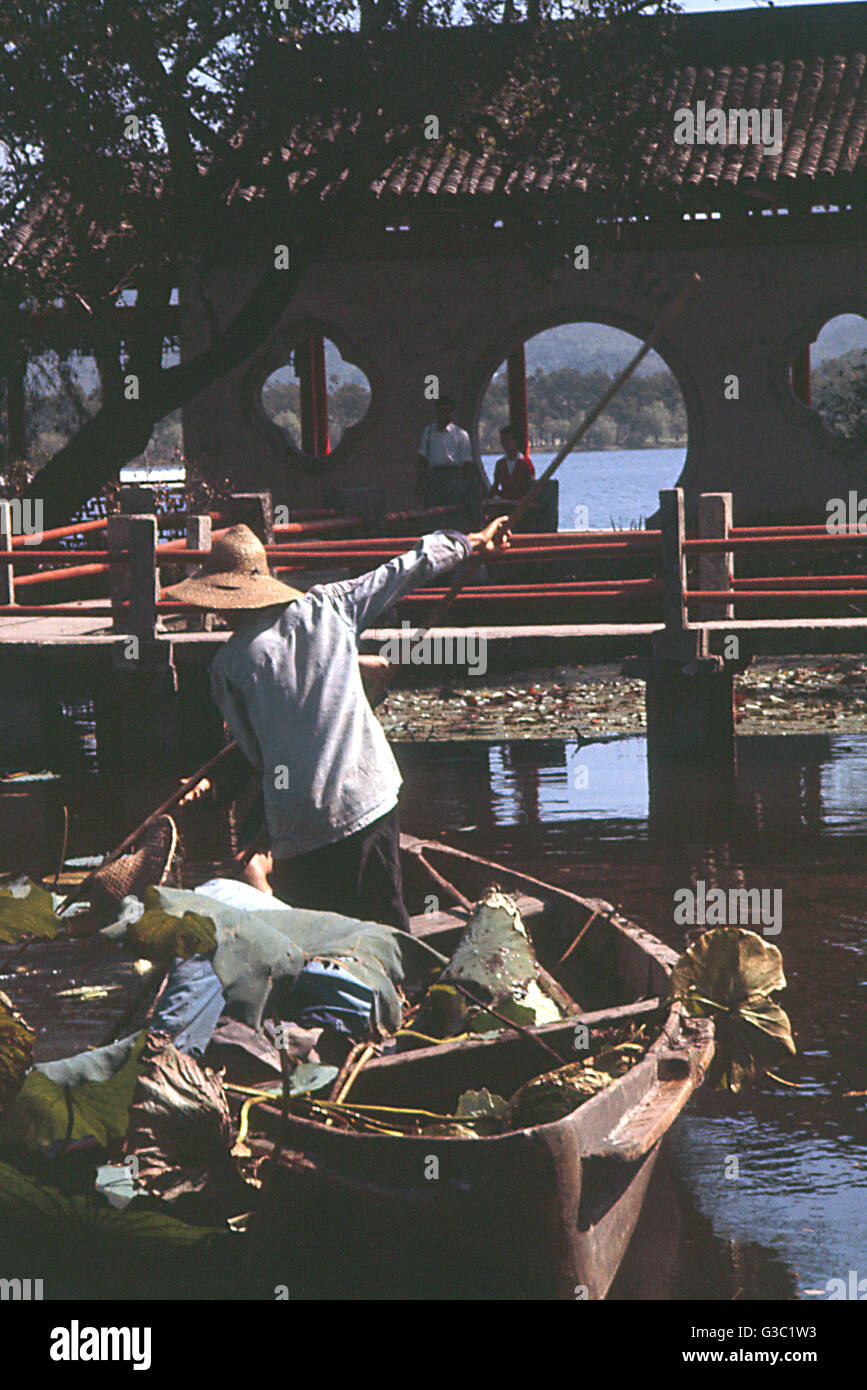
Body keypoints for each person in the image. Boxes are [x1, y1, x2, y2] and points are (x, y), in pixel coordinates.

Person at [163, 517, 510, 929]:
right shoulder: (329, 605)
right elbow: (408, 565)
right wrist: (470, 540)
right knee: (386, 924)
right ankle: (397, 990)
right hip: (369, 802)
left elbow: (257, 754)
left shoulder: (229, 667)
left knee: (317, 938)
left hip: (301, 827)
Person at [416, 396, 474, 511]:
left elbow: (466, 463)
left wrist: (467, 487)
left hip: (453, 476)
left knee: (452, 510)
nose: (444, 415)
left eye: (448, 411)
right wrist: (420, 483)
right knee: (433, 511)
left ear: (453, 413)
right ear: (437, 412)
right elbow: (422, 458)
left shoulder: (461, 434)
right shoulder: (428, 433)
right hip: (434, 477)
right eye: (441, 411)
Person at [490, 424, 535, 502]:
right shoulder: (500, 464)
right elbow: (495, 487)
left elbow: (531, 488)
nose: (505, 443)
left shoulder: (526, 464)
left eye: (508, 440)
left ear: (516, 442)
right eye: (503, 440)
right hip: (505, 505)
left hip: (522, 506)